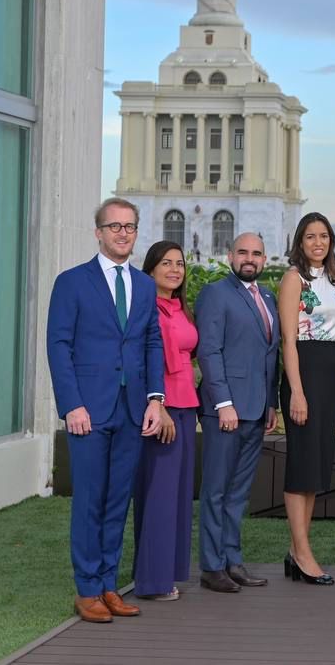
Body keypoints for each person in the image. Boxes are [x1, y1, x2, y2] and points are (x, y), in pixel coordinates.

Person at [46, 197, 165, 622]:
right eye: (114, 226)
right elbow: (58, 346)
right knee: (89, 501)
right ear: (98, 232)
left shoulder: (145, 285)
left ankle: (109, 585)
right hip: (88, 411)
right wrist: (71, 405)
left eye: (129, 226)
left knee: (117, 501)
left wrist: (155, 399)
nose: (122, 233)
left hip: (132, 409)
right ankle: (87, 590)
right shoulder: (72, 282)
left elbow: (152, 342)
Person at [194, 233, 281, 592]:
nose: (249, 259)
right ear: (230, 256)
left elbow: (270, 356)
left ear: (264, 259)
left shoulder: (269, 297)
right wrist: (223, 403)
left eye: (256, 253)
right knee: (216, 491)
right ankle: (211, 567)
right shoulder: (215, 294)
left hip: (257, 410)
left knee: (238, 494)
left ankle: (233, 561)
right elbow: (209, 352)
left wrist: (271, 403)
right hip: (225, 411)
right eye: (242, 252)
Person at [277, 213, 335, 585]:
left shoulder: (333, 279)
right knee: (301, 464)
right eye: (310, 236)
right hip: (303, 371)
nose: (318, 243)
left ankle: (296, 550)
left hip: (329, 375)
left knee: (316, 468)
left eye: (323, 236)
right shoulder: (294, 279)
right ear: (300, 242)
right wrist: (297, 392)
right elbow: (288, 341)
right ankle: (304, 554)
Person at [133, 241, 201, 601]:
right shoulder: (146, 309)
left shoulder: (180, 307)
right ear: (150, 270)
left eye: (180, 263)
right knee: (159, 494)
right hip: (162, 407)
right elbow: (146, 362)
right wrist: (159, 407)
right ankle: (152, 581)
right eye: (166, 263)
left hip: (187, 406)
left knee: (177, 495)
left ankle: (164, 572)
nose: (175, 269)